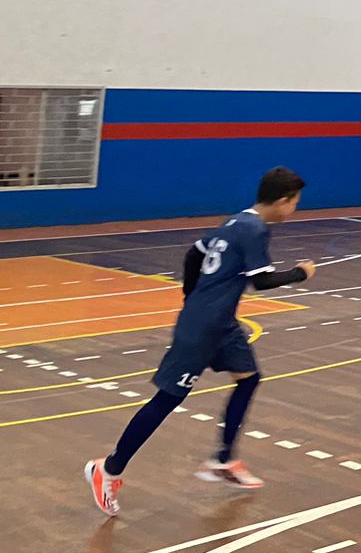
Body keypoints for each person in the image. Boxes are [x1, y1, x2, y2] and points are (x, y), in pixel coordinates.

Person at [85, 168, 315, 515]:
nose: (294, 208)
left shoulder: (236, 221)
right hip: (202, 329)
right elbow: (262, 282)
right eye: (295, 202)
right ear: (283, 200)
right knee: (167, 399)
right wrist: (301, 273)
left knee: (249, 378)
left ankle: (223, 460)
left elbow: (194, 254)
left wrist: (193, 294)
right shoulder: (255, 230)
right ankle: (108, 469)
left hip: (221, 323)